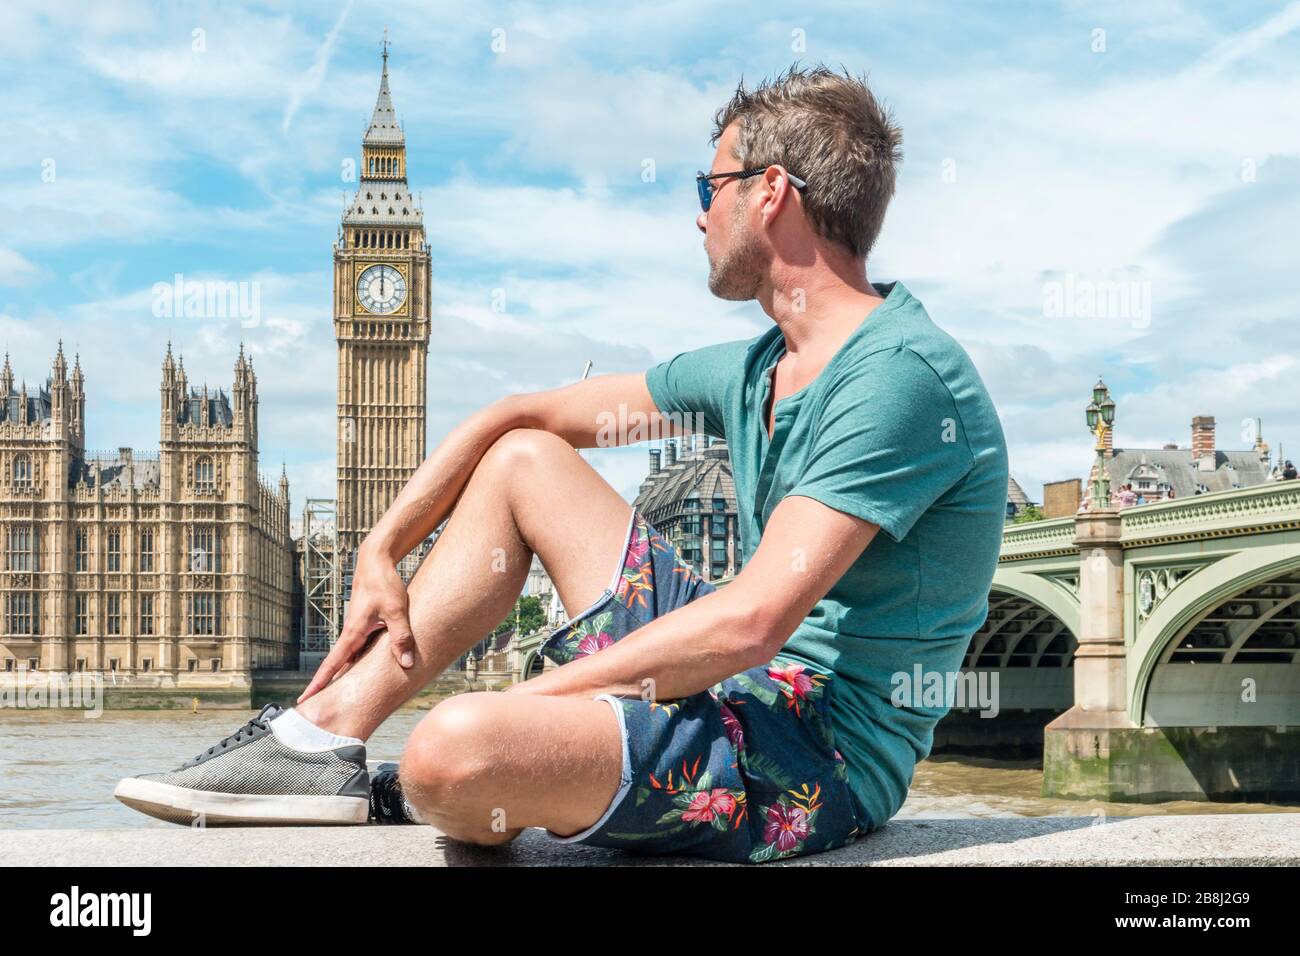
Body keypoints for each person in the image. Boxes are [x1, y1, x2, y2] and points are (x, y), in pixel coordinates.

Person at [114, 66, 1009, 864]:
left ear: (771, 193)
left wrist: (535, 705)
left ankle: (462, 773)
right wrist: (379, 549)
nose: (699, 211)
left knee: (450, 752)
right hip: (739, 685)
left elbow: (751, 625)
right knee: (524, 462)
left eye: (713, 184)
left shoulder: (897, 377)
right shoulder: (759, 364)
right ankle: (317, 742)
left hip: (815, 753)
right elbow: (521, 416)